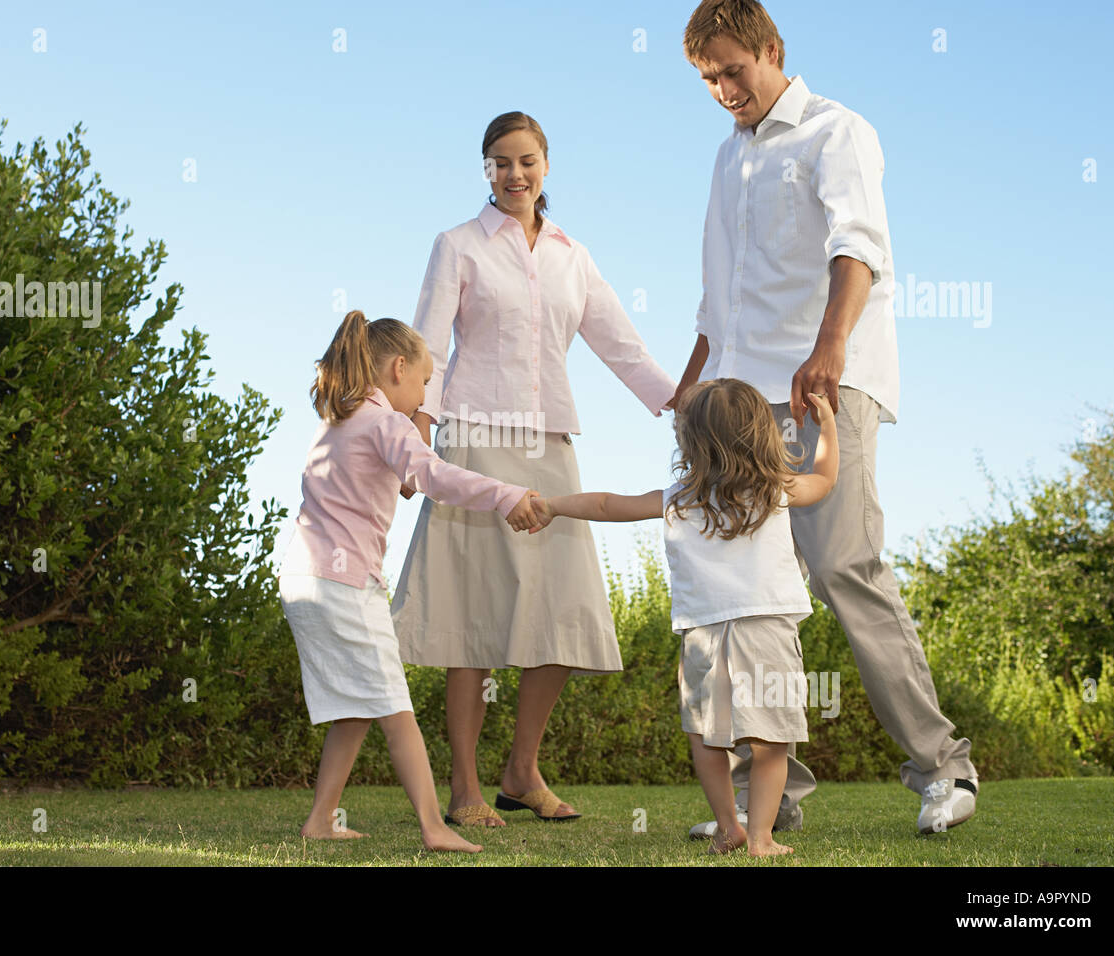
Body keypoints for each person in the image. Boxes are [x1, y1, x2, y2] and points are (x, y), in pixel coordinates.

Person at [673, 0, 978, 834]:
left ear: (772, 50)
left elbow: (860, 246)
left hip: (821, 380)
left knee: (843, 567)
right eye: (709, 79)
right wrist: (692, 384)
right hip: (737, 400)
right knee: (750, 595)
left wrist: (830, 347)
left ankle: (943, 769)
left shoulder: (836, 131)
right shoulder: (725, 158)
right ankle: (777, 795)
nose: (724, 89)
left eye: (734, 70)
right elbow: (719, 294)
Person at [390, 111, 678, 827]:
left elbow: (623, 348)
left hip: (551, 446)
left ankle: (522, 770)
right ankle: (463, 787)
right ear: (485, 169)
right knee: (472, 615)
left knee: (563, 612)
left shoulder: (573, 256)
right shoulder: (456, 246)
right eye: (499, 162)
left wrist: (689, 406)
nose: (513, 174)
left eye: (526, 161)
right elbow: (424, 346)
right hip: (476, 442)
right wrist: (413, 443)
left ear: (547, 165)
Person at [529, 380, 838, 855]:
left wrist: (551, 505)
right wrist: (829, 428)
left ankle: (728, 827)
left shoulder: (679, 499)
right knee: (772, 742)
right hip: (767, 630)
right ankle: (760, 838)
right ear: (761, 434)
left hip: (703, 636)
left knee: (706, 737)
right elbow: (825, 479)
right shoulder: (777, 489)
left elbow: (607, 504)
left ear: (691, 441)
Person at [278, 310, 541, 853]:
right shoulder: (384, 422)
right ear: (399, 369)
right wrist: (506, 493)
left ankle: (321, 819)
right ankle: (434, 827)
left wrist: (414, 429)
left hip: (305, 579)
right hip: (346, 585)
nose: (424, 398)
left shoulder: (340, 419)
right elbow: (433, 478)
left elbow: (403, 483)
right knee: (396, 709)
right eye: (423, 383)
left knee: (355, 706)